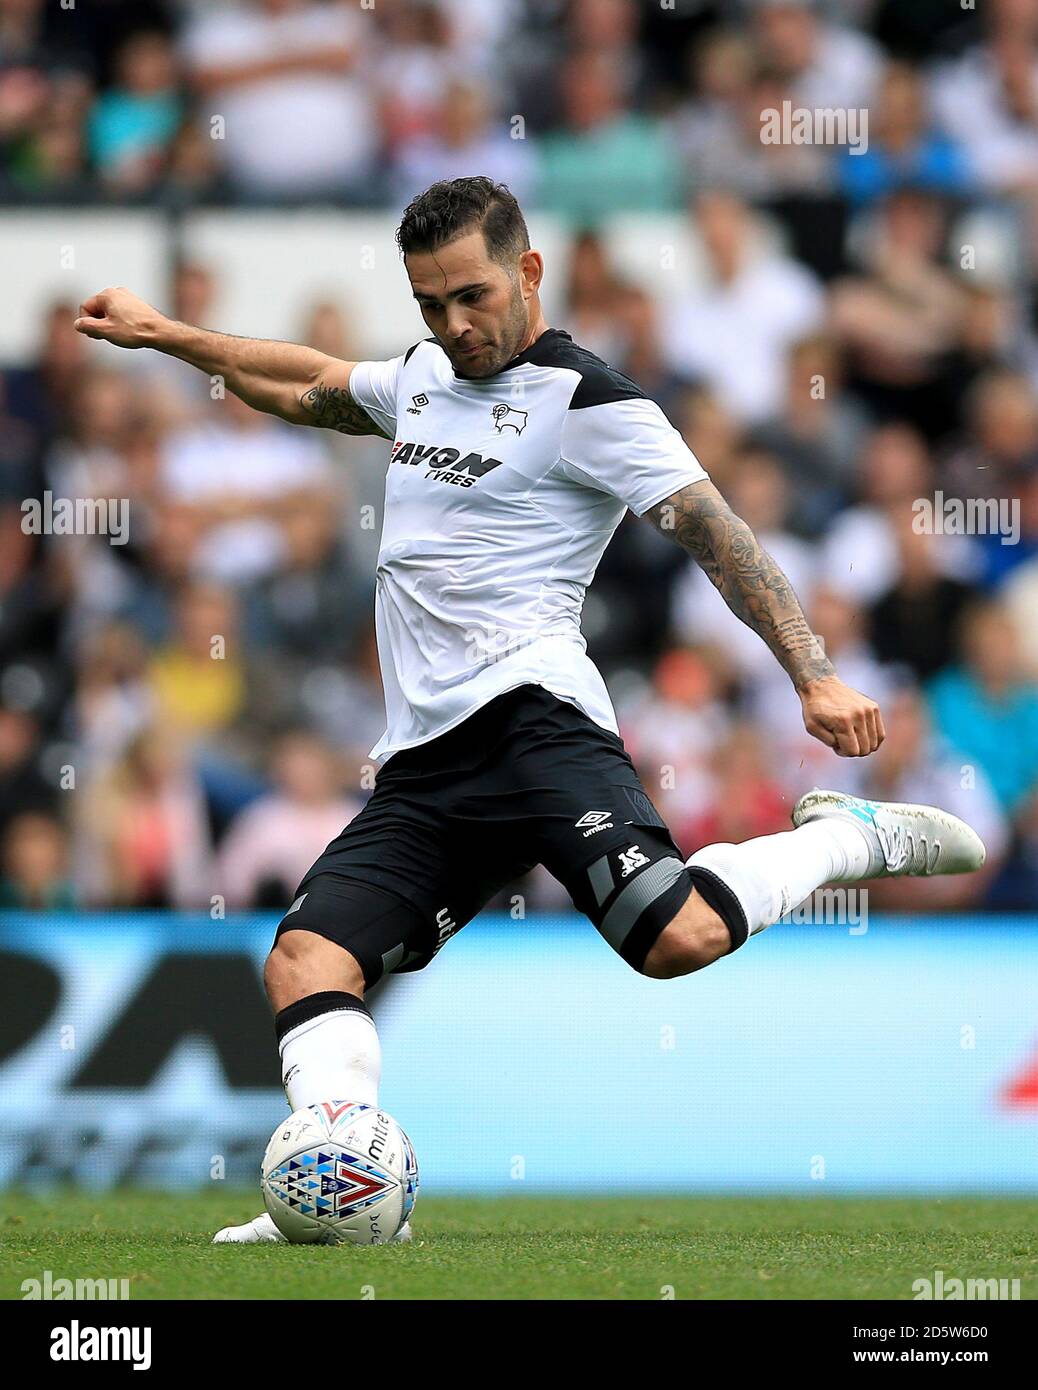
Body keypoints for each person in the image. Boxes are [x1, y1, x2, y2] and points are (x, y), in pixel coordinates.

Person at [73, 176, 986, 1246]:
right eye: (429, 304)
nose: (453, 325)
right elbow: (311, 382)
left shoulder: (592, 404)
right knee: (306, 959)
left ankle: (839, 839)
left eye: (470, 295)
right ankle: (341, 1184)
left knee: (674, 936)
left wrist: (812, 673)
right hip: (423, 764)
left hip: (535, 721)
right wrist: (165, 334)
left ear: (529, 271)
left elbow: (717, 533)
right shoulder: (421, 377)